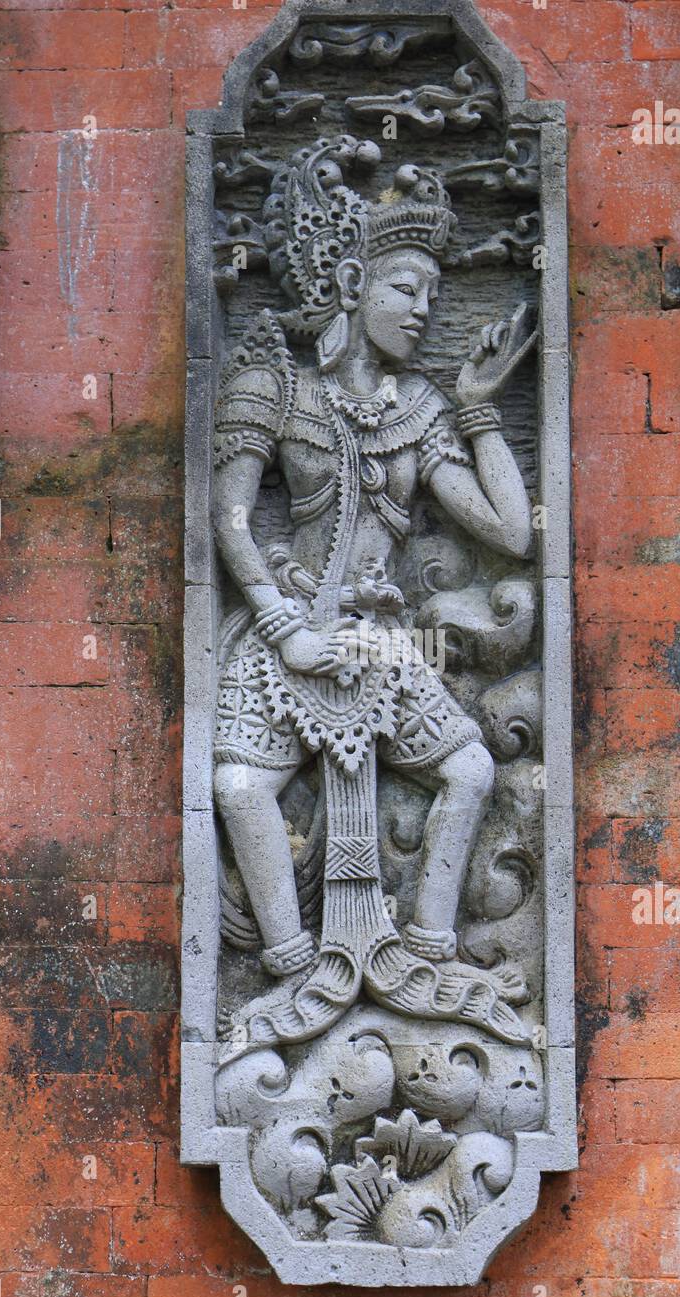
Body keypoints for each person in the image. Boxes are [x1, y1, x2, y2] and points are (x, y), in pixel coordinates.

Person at [212, 136, 536, 1054]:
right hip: (282, 638)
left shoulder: (418, 411)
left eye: (434, 292)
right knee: (239, 788)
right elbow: (230, 520)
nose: (423, 310)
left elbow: (510, 533)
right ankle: (292, 973)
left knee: (470, 770)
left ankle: (423, 951)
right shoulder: (273, 386)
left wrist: (476, 407)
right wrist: (282, 626)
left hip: (381, 646)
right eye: (405, 287)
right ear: (353, 281)